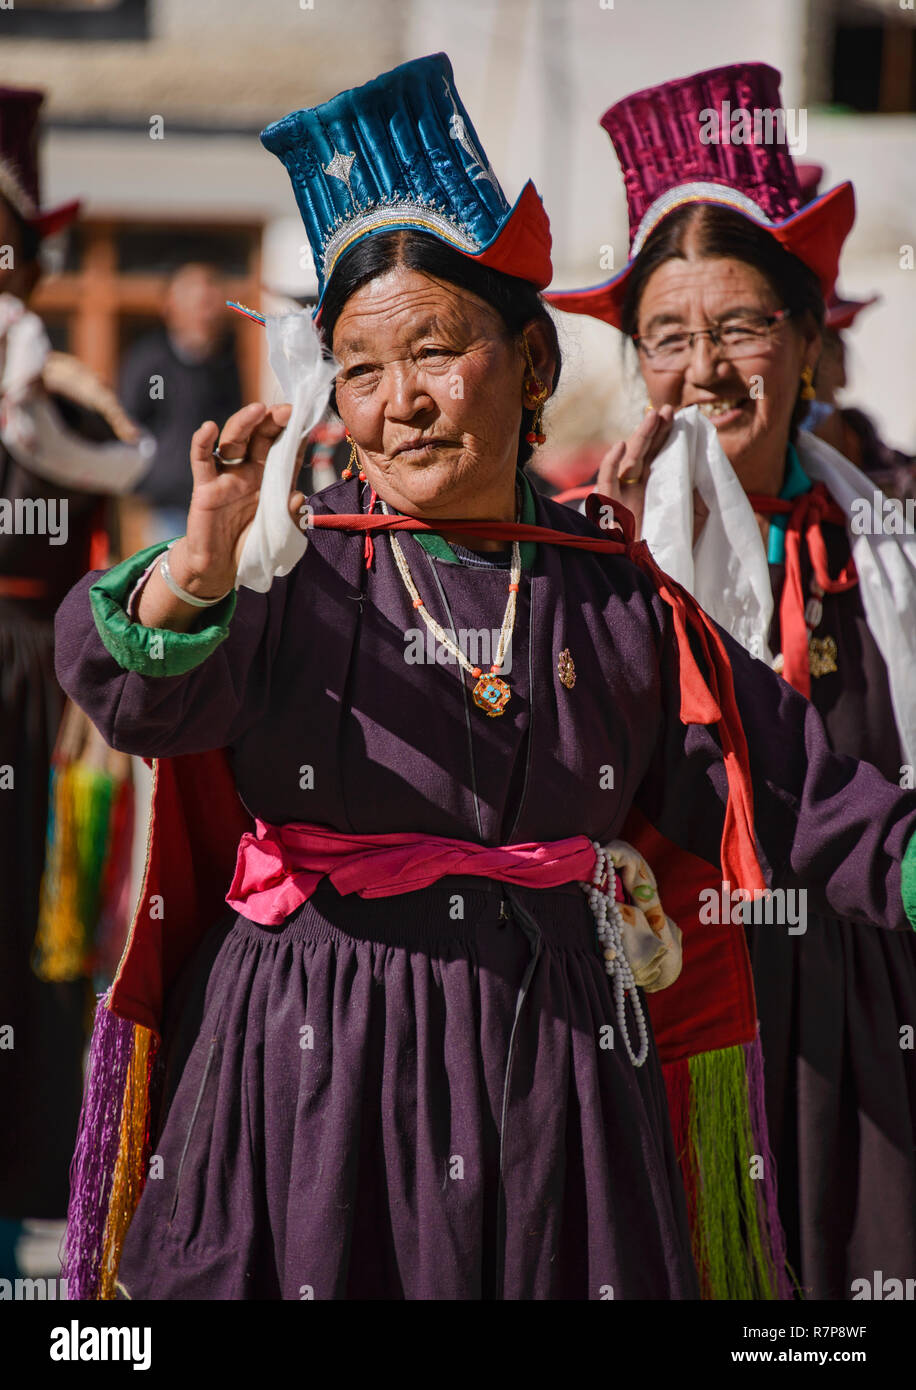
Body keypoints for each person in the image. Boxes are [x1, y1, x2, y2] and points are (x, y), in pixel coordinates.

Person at [55, 54, 916, 1303]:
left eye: (436, 352)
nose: (399, 403)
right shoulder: (284, 571)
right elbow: (136, 692)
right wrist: (197, 562)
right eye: (359, 368)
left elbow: (794, 786)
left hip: (552, 1083)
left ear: (530, 363)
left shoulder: (617, 595)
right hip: (307, 1069)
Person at [546, 60, 916, 1299]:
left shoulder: (895, 533)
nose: (704, 368)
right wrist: (611, 562)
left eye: (742, 326)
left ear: (810, 343)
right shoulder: (574, 557)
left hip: (872, 1026)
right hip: (666, 1014)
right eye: (668, 335)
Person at [0, 85, 149, 1278]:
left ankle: (36, 1199)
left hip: (40, 692)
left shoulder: (65, 401)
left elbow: (127, 530)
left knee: (42, 939)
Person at [119, 263, 242, 543]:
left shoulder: (224, 365)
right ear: (172, 308)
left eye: (214, 304)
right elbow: (127, 426)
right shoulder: (149, 364)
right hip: (161, 508)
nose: (210, 313)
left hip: (216, 502)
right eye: (201, 304)